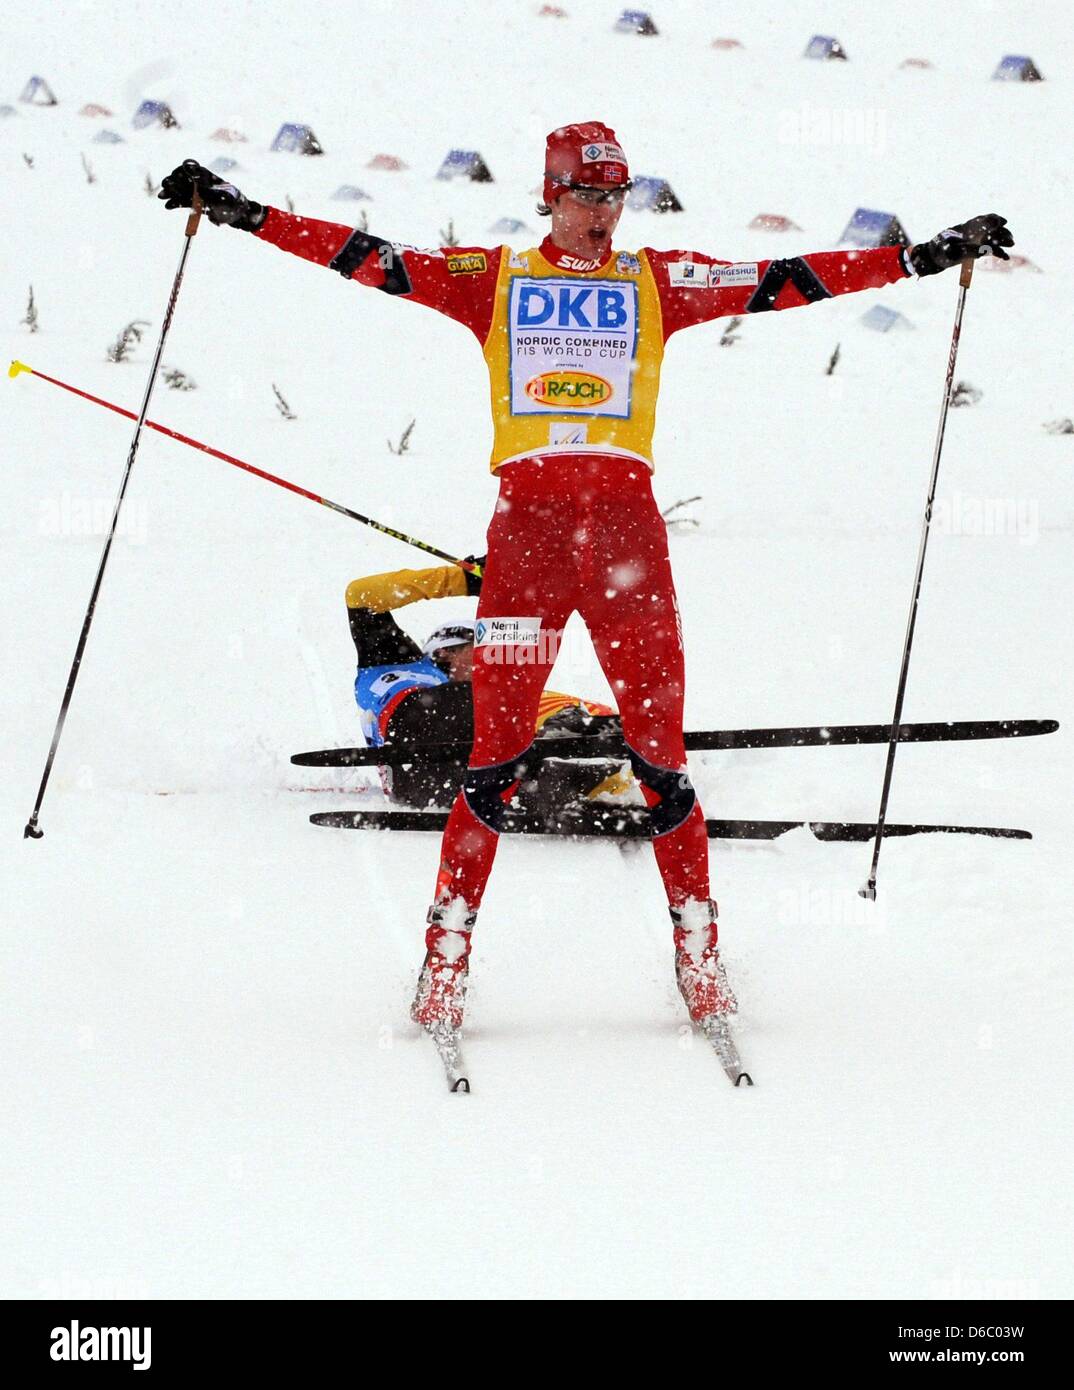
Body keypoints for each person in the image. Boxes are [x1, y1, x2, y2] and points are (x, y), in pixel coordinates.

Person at [159, 129, 1013, 1041]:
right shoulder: (492, 279)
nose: (604, 214)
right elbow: (369, 259)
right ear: (551, 195)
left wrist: (919, 259)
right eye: (588, 196)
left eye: (617, 197)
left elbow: (785, 281)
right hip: (527, 542)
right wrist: (245, 213)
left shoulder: (659, 282)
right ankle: (444, 966)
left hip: (625, 546)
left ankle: (700, 961)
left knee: (659, 756)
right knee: (492, 756)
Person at [346, 559, 623, 811]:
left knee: (525, 786)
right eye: (481, 649)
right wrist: (464, 581)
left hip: (420, 785)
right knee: (512, 702)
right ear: (446, 651)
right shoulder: (400, 660)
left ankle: (602, 787)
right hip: (414, 718)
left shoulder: (477, 694)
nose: (490, 660)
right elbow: (360, 595)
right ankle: (573, 732)